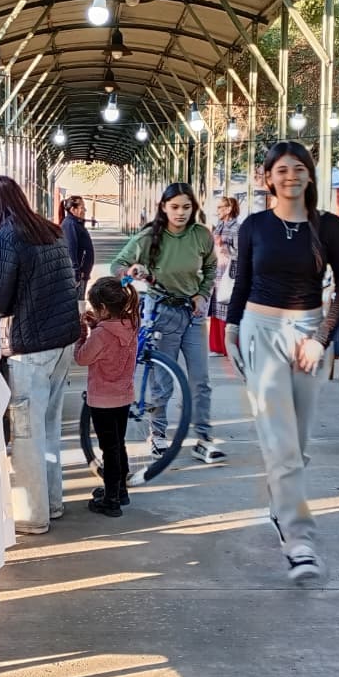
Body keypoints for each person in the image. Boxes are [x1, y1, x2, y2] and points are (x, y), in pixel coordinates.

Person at [225, 142, 339, 584]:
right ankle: (299, 541)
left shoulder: (330, 227)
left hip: (309, 336)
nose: (291, 176)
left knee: (296, 446)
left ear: (311, 176)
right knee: (280, 443)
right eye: (282, 170)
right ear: (267, 178)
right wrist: (231, 328)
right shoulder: (254, 226)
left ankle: (281, 506)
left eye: (299, 169)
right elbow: (242, 282)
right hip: (261, 332)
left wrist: (320, 339)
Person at [0, 176, 80, 534]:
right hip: (63, 339)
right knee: (48, 428)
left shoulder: (6, 237)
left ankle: (31, 516)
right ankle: (52, 503)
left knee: (26, 434)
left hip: (32, 346)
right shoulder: (48, 229)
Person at [111, 181, 223, 466]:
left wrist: (202, 295)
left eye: (187, 207)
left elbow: (211, 268)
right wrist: (131, 270)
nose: (181, 213)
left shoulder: (201, 235)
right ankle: (158, 435)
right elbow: (118, 264)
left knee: (201, 380)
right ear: (163, 207)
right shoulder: (150, 236)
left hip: (193, 315)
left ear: (194, 208)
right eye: (174, 207)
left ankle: (204, 438)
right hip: (162, 313)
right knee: (163, 381)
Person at [74, 276, 140, 517]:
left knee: (108, 449)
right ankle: (120, 490)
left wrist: (84, 333)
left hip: (102, 400)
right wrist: (95, 326)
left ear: (102, 308)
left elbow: (82, 358)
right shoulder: (131, 323)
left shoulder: (101, 334)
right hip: (123, 397)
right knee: (118, 445)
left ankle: (111, 500)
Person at [209, 196, 242, 356]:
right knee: (216, 308)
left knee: (226, 307)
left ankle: (228, 346)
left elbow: (240, 252)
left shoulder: (236, 228)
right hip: (218, 273)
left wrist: (225, 246)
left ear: (229, 209)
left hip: (230, 273)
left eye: (221, 207)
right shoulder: (219, 226)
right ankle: (216, 346)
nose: (218, 211)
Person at [59, 195, 95, 300]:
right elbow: (71, 249)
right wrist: (76, 273)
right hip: (78, 275)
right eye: (82, 207)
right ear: (73, 209)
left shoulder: (76, 224)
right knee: (77, 304)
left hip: (82, 273)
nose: (84, 210)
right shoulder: (70, 225)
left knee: (80, 303)